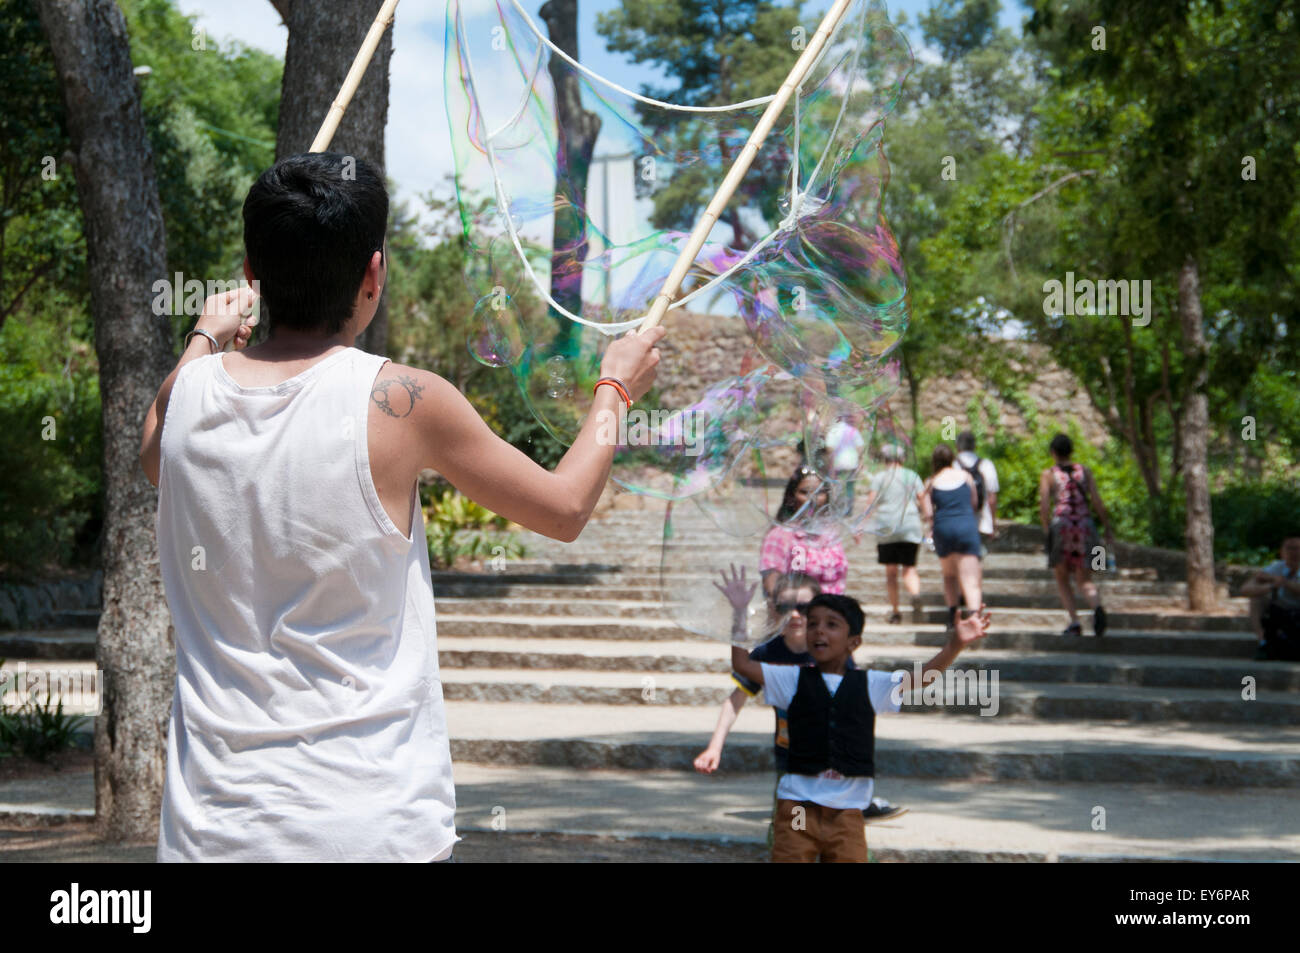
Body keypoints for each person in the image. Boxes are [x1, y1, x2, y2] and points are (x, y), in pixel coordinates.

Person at [137, 152, 666, 862]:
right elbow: (566, 506)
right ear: (374, 275)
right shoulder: (405, 402)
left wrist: (205, 332)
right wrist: (616, 389)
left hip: (210, 831)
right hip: (370, 826)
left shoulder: (184, 397)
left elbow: (151, 454)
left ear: (250, 274)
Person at [732, 593, 990, 862]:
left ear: (853, 642)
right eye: (813, 624)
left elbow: (922, 678)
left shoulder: (872, 684)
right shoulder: (791, 678)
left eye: (832, 624)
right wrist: (739, 614)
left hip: (846, 812)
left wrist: (955, 645)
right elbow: (742, 663)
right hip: (798, 809)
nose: (819, 629)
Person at [696, 570, 905, 833]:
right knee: (790, 830)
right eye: (785, 606)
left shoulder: (833, 653)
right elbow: (734, 701)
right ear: (772, 610)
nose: (795, 614)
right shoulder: (766, 653)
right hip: (791, 754)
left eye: (805, 608)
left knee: (840, 833)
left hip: (838, 757)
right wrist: (715, 747)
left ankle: (859, 812)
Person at [1038, 433, 1114, 637]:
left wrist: (1047, 531)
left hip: (1061, 527)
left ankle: (1074, 622)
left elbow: (1044, 506)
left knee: (1062, 578)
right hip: (1085, 526)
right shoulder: (1085, 472)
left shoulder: (1048, 474)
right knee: (1085, 579)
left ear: (1053, 453)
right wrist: (1107, 526)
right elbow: (1096, 501)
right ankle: (1096, 605)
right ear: (1071, 451)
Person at [919, 443, 983, 630]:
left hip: (944, 528)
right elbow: (974, 503)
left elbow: (928, 514)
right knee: (970, 578)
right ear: (952, 458)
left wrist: (933, 527)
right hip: (966, 526)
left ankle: (952, 617)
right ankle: (973, 617)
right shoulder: (966, 476)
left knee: (949, 575)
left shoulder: (931, 481)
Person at [759, 465, 848, 598]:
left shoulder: (830, 534)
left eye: (819, 492)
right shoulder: (780, 536)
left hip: (832, 612)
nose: (812, 498)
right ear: (792, 496)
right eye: (805, 492)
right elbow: (773, 586)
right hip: (800, 614)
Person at [862, 443, 925, 624]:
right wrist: (930, 518)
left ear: (885, 460)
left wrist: (861, 525)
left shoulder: (880, 477)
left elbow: (871, 503)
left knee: (891, 572)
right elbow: (922, 498)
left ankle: (896, 612)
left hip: (886, 526)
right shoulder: (911, 476)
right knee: (909, 568)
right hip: (910, 523)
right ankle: (915, 594)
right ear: (902, 459)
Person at [1240, 534, 1300, 660]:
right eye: (1290, 548)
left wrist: (1284, 583)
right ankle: (1263, 643)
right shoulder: (1276, 567)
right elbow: (1245, 589)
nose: (1294, 552)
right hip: (1280, 611)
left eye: (1297, 548)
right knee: (1256, 598)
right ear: (1282, 552)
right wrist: (1271, 586)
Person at [956, 431, 999, 555]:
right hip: (982, 523)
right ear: (975, 446)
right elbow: (992, 498)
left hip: (957, 522)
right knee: (977, 560)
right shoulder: (986, 465)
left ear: (957, 447)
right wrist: (993, 523)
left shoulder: (952, 465)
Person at [825, 415, 865, 514]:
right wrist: (858, 458)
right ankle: (848, 510)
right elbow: (860, 447)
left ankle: (838, 509)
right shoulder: (853, 431)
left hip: (837, 463)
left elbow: (829, 447)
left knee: (837, 485)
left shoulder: (833, 430)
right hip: (852, 463)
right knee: (849, 486)